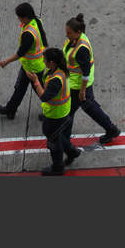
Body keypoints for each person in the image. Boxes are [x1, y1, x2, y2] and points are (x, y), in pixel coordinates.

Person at [63, 13, 120, 145]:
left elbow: (86, 72)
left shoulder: (81, 48)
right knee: (87, 108)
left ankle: (65, 140)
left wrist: (82, 91)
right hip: (74, 83)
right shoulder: (75, 39)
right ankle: (111, 129)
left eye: (69, 32)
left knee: (72, 110)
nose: (66, 35)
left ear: (78, 32)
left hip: (79, 86)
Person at [28, 46, 78, 175]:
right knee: (58, 136)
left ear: (52, 62)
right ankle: (72, 151)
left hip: (55, 116)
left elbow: (44, 97)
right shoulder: (61, 70)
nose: (43, 61)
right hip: (64, 112)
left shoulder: (56, 80)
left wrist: (35, 82)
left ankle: (58, 168)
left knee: (53, 140)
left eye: (45, 60)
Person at [0, 1, 48, 118]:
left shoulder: (28, 34)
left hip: (33, 68)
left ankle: (52, 110)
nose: (18, 19)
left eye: (18, 17)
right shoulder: (36, 21)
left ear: (24, 17)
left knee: (41, 92)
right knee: (20, 88)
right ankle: (10, 110)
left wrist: (6, 61)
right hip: (31, 65)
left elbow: (20, 53)